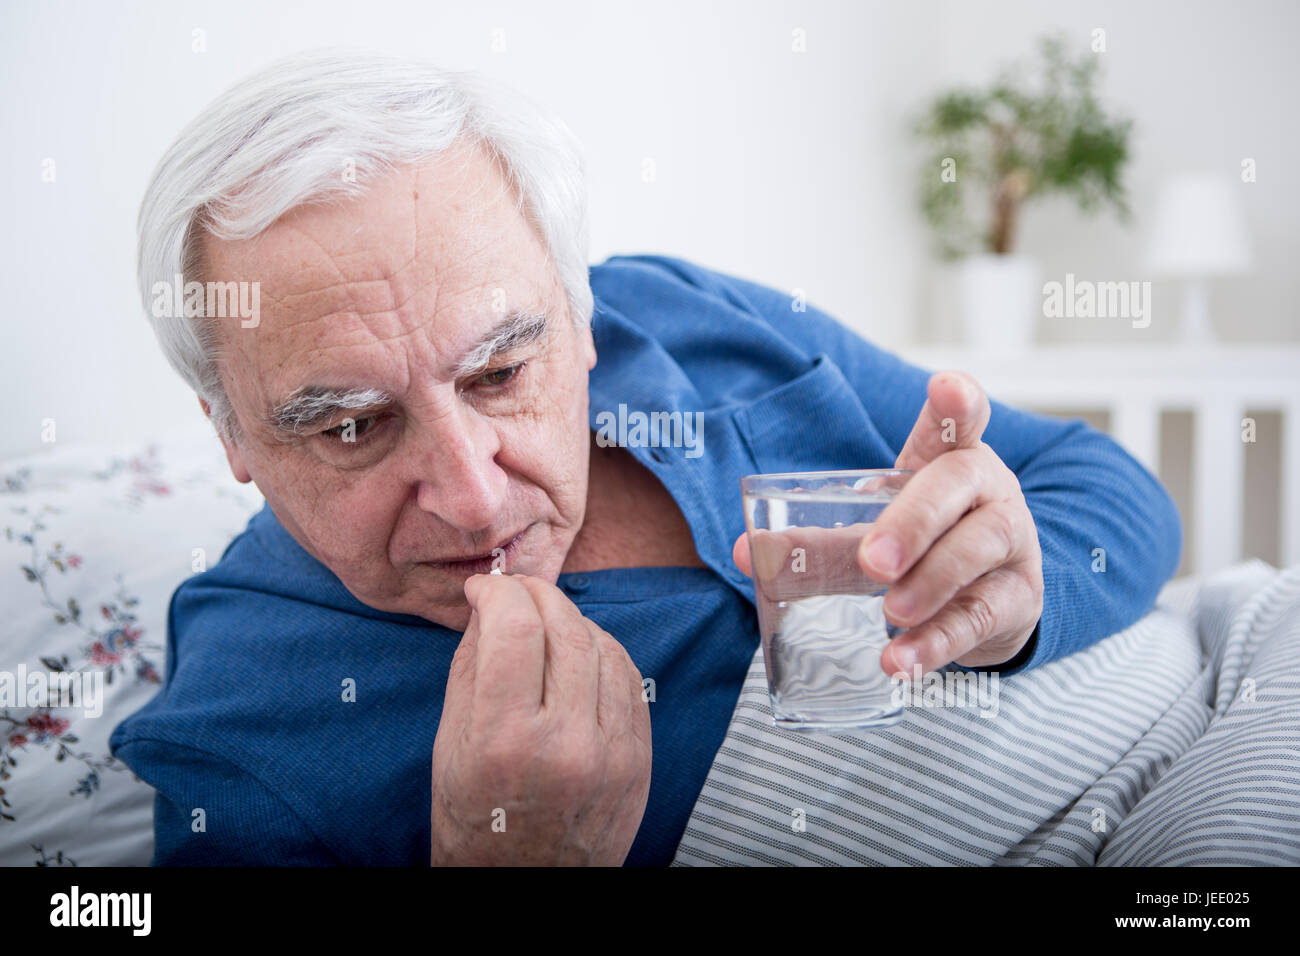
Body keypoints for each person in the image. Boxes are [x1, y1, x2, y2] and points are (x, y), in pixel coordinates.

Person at [110, 50, 1182, 866]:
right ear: (232, 436)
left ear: (580, 320)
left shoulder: (676, 309)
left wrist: (1017, 593)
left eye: (499, 374)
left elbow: (1102, 481)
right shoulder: (238, 739)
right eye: (351, 425)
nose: (478, 498)